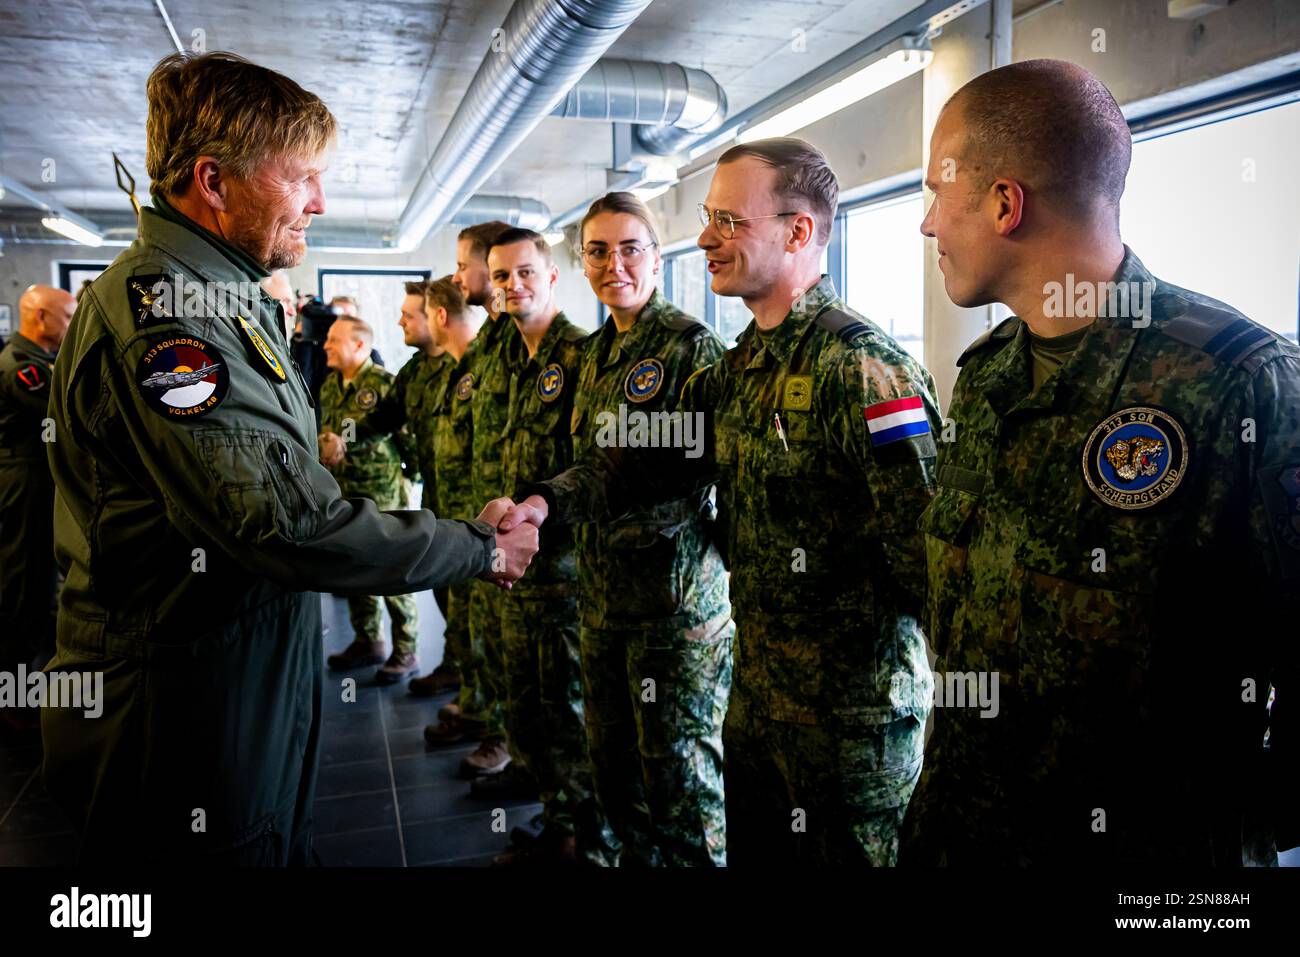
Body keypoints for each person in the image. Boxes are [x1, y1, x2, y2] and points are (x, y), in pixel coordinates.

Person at [40, 50, 537, 865]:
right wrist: (477, 548)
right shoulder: (173, 322)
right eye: (301, 176)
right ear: (213, 180)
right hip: (175, 704)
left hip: (234, 669)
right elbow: (288, 525)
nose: (320, 201)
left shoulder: (223, 297)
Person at [900, 58, 1300, 866]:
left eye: (937, 195)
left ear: (1005, 204)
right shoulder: (989, 375)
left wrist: (1235, 829)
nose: (928, 224)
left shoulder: (1238, 381)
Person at [498, 138, 940, 865]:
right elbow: (637, 462)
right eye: (708, 218)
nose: (704, 237)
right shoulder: (738, 371)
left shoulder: (865, 371)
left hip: (850, 728)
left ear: (799, 232)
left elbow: (929, 564)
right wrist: (543, 504)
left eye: (729, 221)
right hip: (757, 701)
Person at [567, 192, 733, 865]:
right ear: (582, 263)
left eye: (630, 247)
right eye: (598, 251)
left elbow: (717, 468)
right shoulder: (594, 353)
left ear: (657, 258)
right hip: (603, 605)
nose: (615, 264)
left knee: (681, 783)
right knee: (614, 770)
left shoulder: (692, 347)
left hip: (675, 615)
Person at [482, 228, 608, 865]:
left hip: (562, 568)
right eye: (501, 277)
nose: (514, 286)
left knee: (567, 708)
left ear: (553, 276)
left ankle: (582, 838)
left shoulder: (583, 354)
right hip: (511, 563)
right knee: (526, 699)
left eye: (526, 272)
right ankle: (555, 819)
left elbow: (592, 468)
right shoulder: (504, 350)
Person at [422, 223, 519, 780]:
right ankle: (489, 715)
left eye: (465, 265)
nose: (459, 278)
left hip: (511, 531)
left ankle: (505, 738)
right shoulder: (482, 356)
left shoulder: (522, 350)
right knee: (478, 634)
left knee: (512, 652)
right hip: (469, 519)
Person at [318, 315, 421, 684]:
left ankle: (406, 649)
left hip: (383, 493)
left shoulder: (381, 383)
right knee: (355, 566)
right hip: (344, 492)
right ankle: (368, 640)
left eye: (334, 339)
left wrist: (413, 474)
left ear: (359, 345)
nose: (326, 345)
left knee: (393, 568)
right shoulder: (330, 385)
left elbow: (405, 433)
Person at [0, 284, 75, 727]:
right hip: (23, 481)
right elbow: (63, 410)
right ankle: (13, 699)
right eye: (66, 317)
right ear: (40, 318)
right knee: (22, 584)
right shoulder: (22, 366)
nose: (71, 324)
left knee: (40, 583)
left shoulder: (41, 360)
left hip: (37, 478)